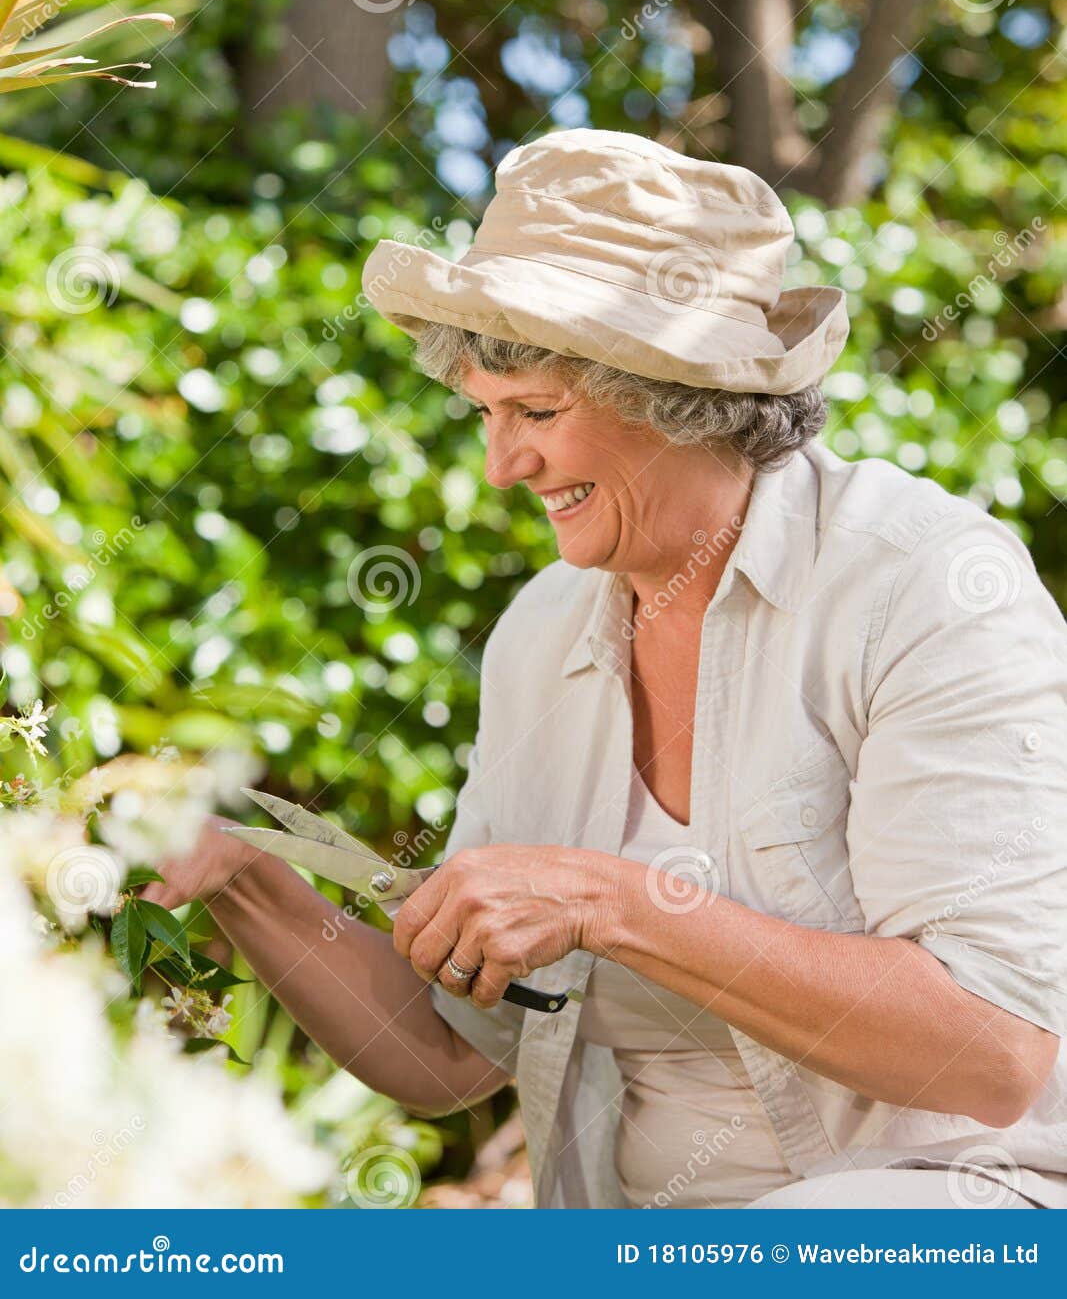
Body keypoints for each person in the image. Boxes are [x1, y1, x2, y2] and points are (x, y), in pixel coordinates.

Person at [146, 128, 1067, 1209]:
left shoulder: (920, 585)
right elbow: (453, 1056)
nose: (501, 466)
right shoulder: (541, 637)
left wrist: (616, 902)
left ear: (678, 394)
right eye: (486, 416)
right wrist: (242, 874)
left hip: (959, 1198)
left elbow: (992, 1052)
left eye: (536, 413)